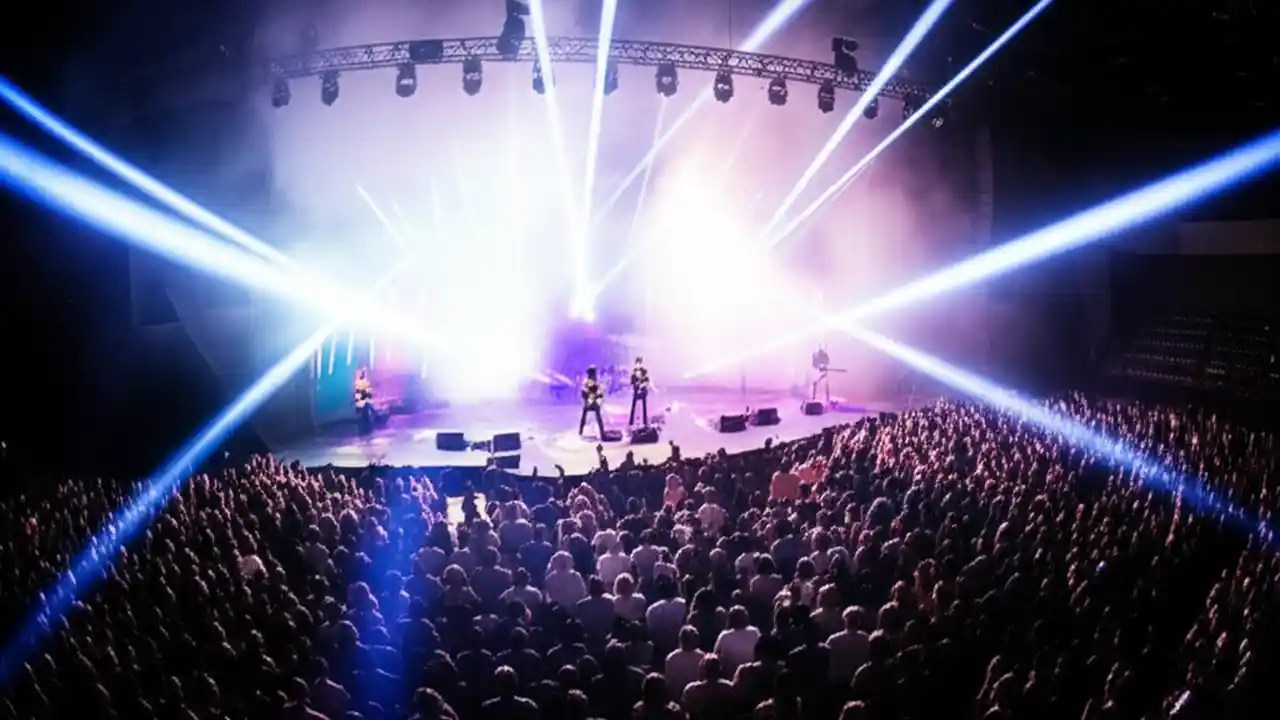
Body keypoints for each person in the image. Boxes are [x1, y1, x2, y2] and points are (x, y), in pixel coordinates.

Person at [580, 365, 607, 439]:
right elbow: (593, 392)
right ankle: (602, 433)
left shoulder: (587, 380)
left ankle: (581, 430)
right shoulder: (590, 381)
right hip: (590, 402)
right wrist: (599, 394)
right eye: (595, 372)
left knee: (590, 413)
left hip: (588, 402)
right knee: (598, 414)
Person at [629, 356, 651, 427]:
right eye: (637, 363)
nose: (638, 365)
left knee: (644, 407)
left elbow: (647, 381)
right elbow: (631, 381)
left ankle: (645, 422)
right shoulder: (633, 371)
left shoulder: (645, 371)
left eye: (639, 363)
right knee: (633, 407)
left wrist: (642, 385)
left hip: (643, 391)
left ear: (641, 364)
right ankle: (631, 422)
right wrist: (636, 384)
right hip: (636, 391)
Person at [354, 367, 376, 435]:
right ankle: (366, 432)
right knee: (365, 418)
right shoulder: (363, 383)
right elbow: (367, 394)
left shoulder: (359, 383)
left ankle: (364, 432)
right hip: (363, 404)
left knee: (363, 419)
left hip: (362, 404)